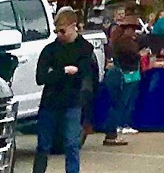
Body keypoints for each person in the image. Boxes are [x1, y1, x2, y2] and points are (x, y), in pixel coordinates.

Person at [32, 9, 99, 173]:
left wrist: (58, 74)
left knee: (71, 144)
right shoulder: (50, 49)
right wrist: (63, 71)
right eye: (56, 31)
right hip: (50, 101)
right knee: (43, 145)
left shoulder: (85, 48)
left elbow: (84, 73)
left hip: (72, 101)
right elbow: (40, 77)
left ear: (73, 27)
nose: (59, 35)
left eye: (62, 30)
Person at [102, 9, 144, 145]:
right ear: (127, 29)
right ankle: (113, 133)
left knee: (115, 104)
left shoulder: (116, 40)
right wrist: (140, 54)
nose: (134, 32)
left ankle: (112, 132)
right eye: (132, 29)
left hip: (116, 74)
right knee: (120, 104)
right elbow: (132, 57)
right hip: (125, 75)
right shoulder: (126, 42)